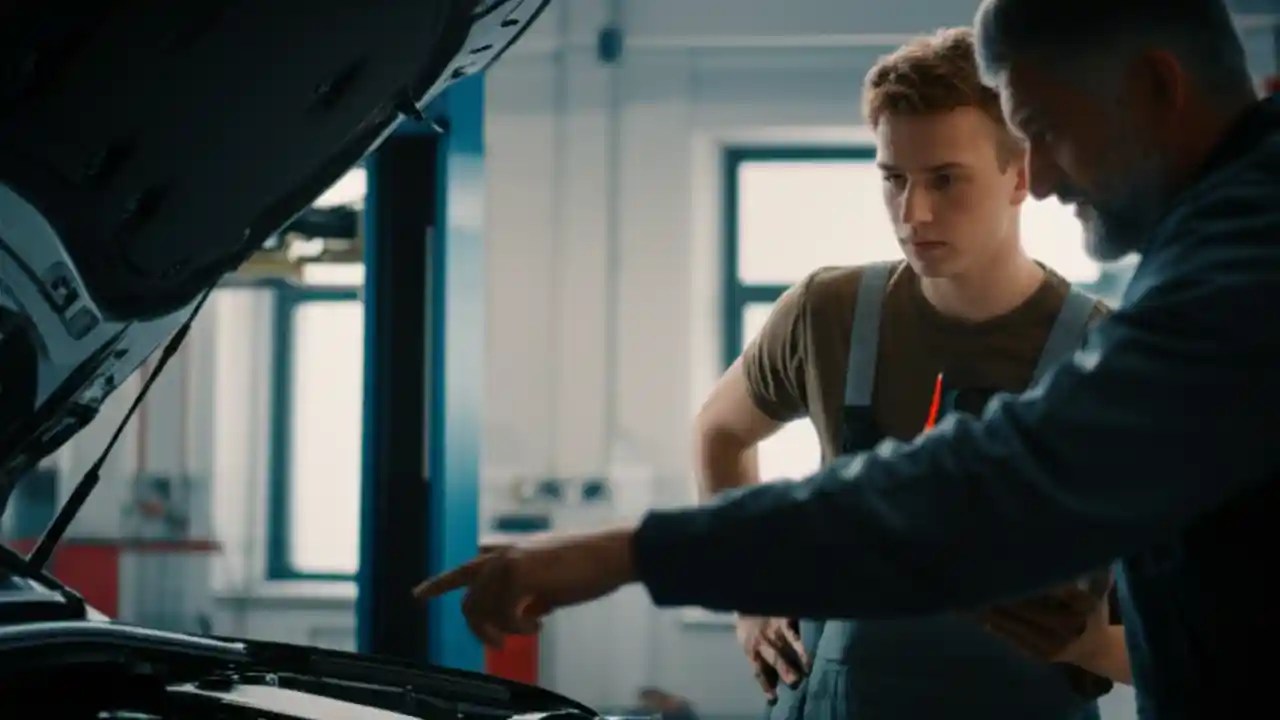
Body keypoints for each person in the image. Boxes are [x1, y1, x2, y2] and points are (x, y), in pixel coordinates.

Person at [415, 0, 1278, 716]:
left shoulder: (1237, 268)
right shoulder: (1228, 231)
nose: (1044, 178)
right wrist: (745, 595)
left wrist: (622, 555)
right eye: (894, 179)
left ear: (1157, 87)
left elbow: (993, 480)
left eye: (1047, 133)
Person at [692, 28, 1116, 720]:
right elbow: (718, 429)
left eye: (946, 179)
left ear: (1021, 174)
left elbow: (1210, 626)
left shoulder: (1104, 354)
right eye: (894, 179)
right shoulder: (826, 315)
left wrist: (1092, 648)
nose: (912, 214)